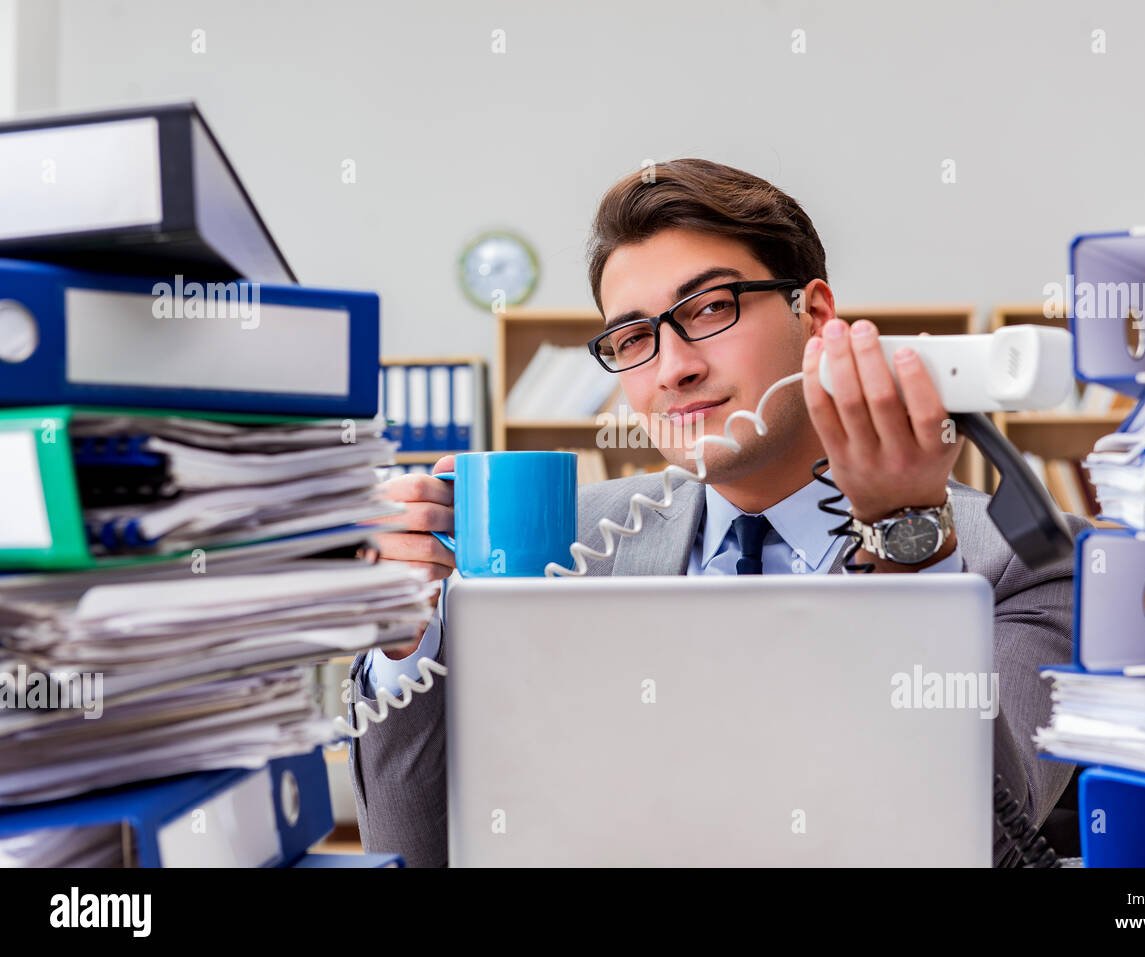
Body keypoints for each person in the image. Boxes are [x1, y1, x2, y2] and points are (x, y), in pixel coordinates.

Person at [347, 158, 1087, 867]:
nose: (673, 368)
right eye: (635, 337)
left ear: (816, 314)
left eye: (709, 307)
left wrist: (907, 548)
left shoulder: (1022, 559)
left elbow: (988, 849)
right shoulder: (566, 541)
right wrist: (405, 644)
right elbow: (414, 850)